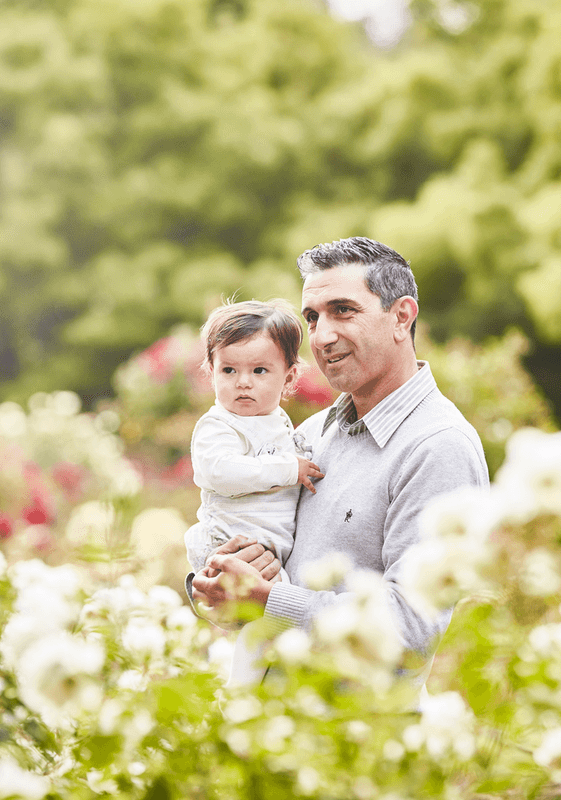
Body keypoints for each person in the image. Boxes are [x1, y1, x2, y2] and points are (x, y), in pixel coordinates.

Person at [191, 236, 489, 695]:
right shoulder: (310, 436)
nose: (322, 336)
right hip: (266, 733)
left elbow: (412, 630)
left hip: (354, 749)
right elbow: (241, 541)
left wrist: (268, 600)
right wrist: (212, 581)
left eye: (343, 310)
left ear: (401, 317)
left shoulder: (438, 448)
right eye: (312, 317)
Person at [184, 299, 325, 684]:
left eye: (260, 370)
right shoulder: (219, 425)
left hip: (267, 549)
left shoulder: (280, 424)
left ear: (290, 376)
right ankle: (241, 699)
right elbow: (219, 472)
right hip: (232, 541)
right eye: (229, 369)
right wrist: (287, 469)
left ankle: (260, 695)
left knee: (278, 624)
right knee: (263, 626)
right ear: (210, 371)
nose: (243, 382)